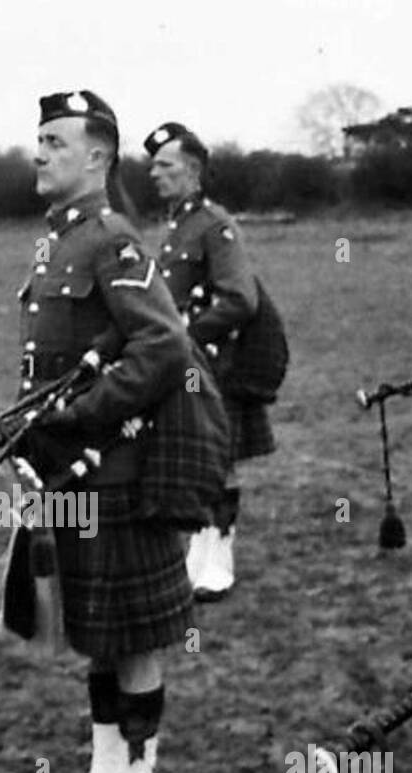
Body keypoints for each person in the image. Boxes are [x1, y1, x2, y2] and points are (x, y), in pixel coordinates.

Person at [17, 90, 226, 773]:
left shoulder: (113, 240)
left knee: (135, 638)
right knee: (98, 629)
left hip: (122, 475)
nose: (38, 152)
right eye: (37, 139)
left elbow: (164, 347)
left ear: (98, 157)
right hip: (75, 474)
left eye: (54, 141)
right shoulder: (58, 241)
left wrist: (84, 417)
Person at [145, 122, 278, 600]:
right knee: (196, 465)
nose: (154, 173)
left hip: (215, 367)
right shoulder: (177, 225)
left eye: (166, 165)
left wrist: (184, 336)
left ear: (193, 171)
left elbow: (240, 299)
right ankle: (195, 558)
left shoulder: (215, 224)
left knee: (217, 465)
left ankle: (218, 560)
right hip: (188, 367)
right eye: (153, 165)